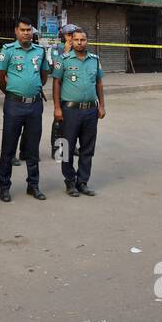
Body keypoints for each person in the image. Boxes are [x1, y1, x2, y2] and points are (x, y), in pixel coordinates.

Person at [0, 16, 48, 201]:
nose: (26, 33)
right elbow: (0, 77)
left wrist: (31, 88)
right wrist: (12, 93)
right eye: (23, 30)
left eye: (29, 30)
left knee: (33, 149)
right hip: (14, 105)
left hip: (34, 105)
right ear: (16, 31)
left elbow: (43, 76)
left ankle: (33, 185)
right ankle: (4, 187)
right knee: (8, 147)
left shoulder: (40, 51)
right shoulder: (7, 51)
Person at [52, 26, 104, 197]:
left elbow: (99, 83)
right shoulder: (63, 60)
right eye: (76, 40)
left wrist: (101, 105)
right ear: (71, 41)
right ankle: (69, 182)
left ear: (87, 41)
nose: (80, 43)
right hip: (70, 110)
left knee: (87, 148)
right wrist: (57, 108)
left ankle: (83, 182)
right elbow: (56, 83)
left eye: (83, 40)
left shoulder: (94, 60)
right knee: (66, 147)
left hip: (90, 110)